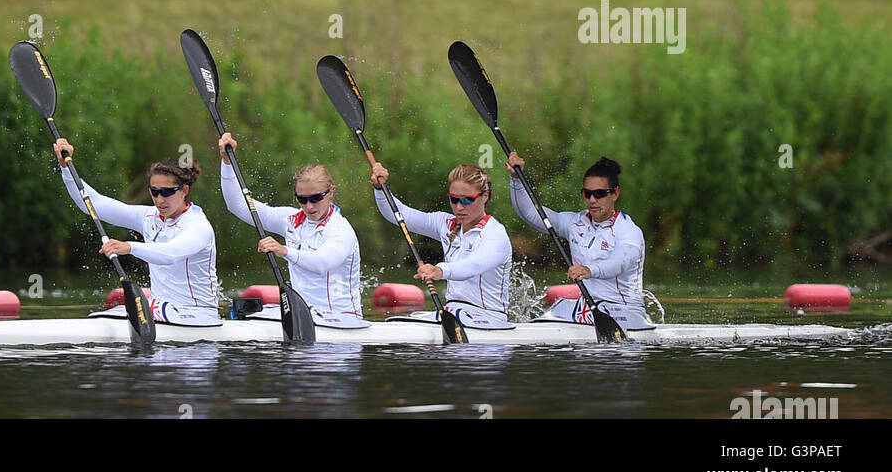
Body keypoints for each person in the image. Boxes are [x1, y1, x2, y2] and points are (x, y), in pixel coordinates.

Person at [52, 137, 220, 325]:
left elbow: (171, 254)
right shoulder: (149, 217)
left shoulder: (198, 226)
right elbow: (94, 204)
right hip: (162, 309)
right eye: (154, 192)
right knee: (104, 316)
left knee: (125, 312)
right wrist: (66, 169)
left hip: (198, 315)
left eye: (167, 192)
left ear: (184, 190)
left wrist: (129, 247)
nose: (159, 200)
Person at [218, 132, 368, 328]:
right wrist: (227, 163)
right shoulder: (290, 220)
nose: (309, 206)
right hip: (304, 316)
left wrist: (284, 251)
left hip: (341, 321)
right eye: (302, 200)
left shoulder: (341, 230)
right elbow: (237, 205)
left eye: (316, 198)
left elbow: (322, 263)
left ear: (331, 192)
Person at [506, 152, 649, 329]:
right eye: (587, 193)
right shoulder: (575, 223)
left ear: (615, 193)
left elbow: (619, 263)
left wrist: (589, 270)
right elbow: (530, 214)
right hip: (589, 307)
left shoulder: (628, 231)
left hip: (625, 312)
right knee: (559, 307)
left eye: (599, 194)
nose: (592, 200)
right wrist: (516, 180)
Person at [368, 161, 513, 328]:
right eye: (454, 199)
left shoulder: (495, 235)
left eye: (467, 200)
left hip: (488, 318)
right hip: (453, 314)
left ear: (485, 196)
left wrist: (439, 270)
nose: (459, 207)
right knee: (400, 321)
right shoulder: (445, 223)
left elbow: (473, 266)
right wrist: (380, 189)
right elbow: (399, 215)